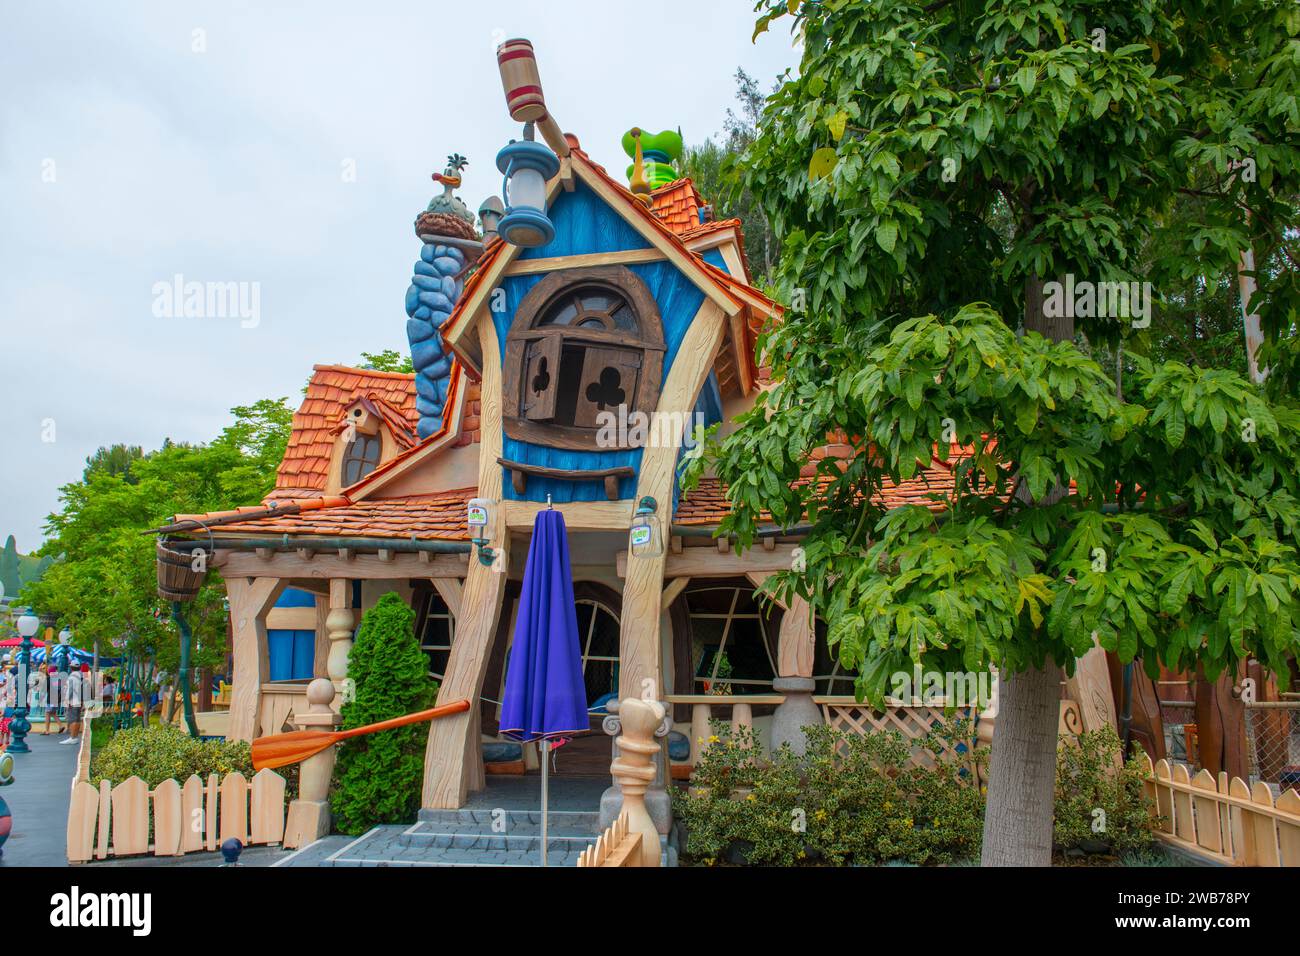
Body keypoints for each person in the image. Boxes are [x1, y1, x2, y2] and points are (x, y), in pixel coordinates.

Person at [60, 665, 87, 744]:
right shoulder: (82, 677)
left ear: (71, 668)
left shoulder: (72, 677)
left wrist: (67, 700)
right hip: (79, 700)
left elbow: (70, 689)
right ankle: (74, 737)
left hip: (73, 701)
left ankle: (72, 737)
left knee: (72, 719)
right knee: (77, 719)